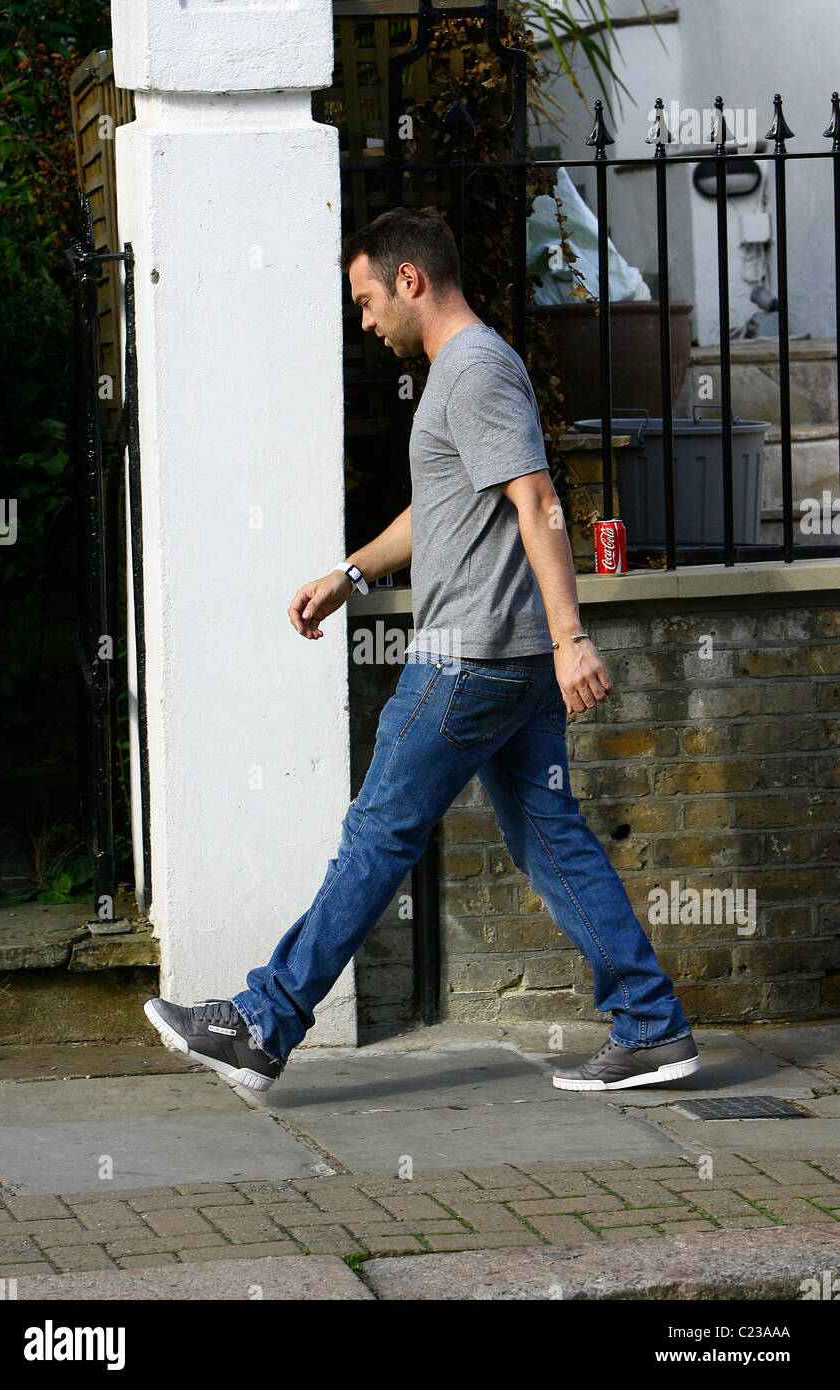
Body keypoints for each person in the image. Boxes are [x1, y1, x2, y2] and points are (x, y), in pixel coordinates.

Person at [145, 207, 699, 1094]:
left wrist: (572, 637)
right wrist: (349, 574)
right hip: (506, 666)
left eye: (367, 300)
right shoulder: (465, 372)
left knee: (376, 837)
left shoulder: (473, 369)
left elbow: (537, 502)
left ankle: (262, 1021)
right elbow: (446, 511)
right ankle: (651, 1026)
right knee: (551, 840)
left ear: (411, 280)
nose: (365, 322)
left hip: (469, 659)